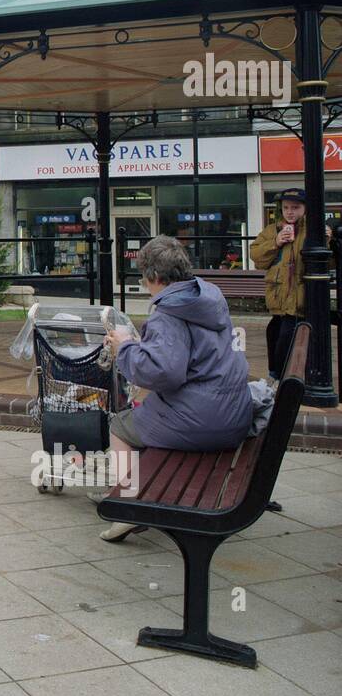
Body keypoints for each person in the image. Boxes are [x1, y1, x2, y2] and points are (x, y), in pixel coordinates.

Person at [99, 235, 252, 542]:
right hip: (234, 415)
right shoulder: (207, 299)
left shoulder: (168, 313)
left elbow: (165, 373)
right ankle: (142, 490)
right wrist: (144, 346)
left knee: (121, 425)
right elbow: (189, 355)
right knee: (148, 415)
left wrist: (125, 348)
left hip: (203, 422)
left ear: (153, 277)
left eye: (144, 278)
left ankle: (127, 507)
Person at [250, 188, 334, 382]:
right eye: (286, 207)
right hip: (279, 296)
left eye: (295, 208)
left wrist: (326, 241)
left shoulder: (313, 230)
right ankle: (276, 374)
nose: (290, 212)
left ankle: (281, 378)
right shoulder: (273, 230)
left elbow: (328, 263)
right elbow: (256, 257)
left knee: (287, 337)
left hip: (300, 297)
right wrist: (276, 243)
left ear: (305, 209)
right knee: (274, 332)